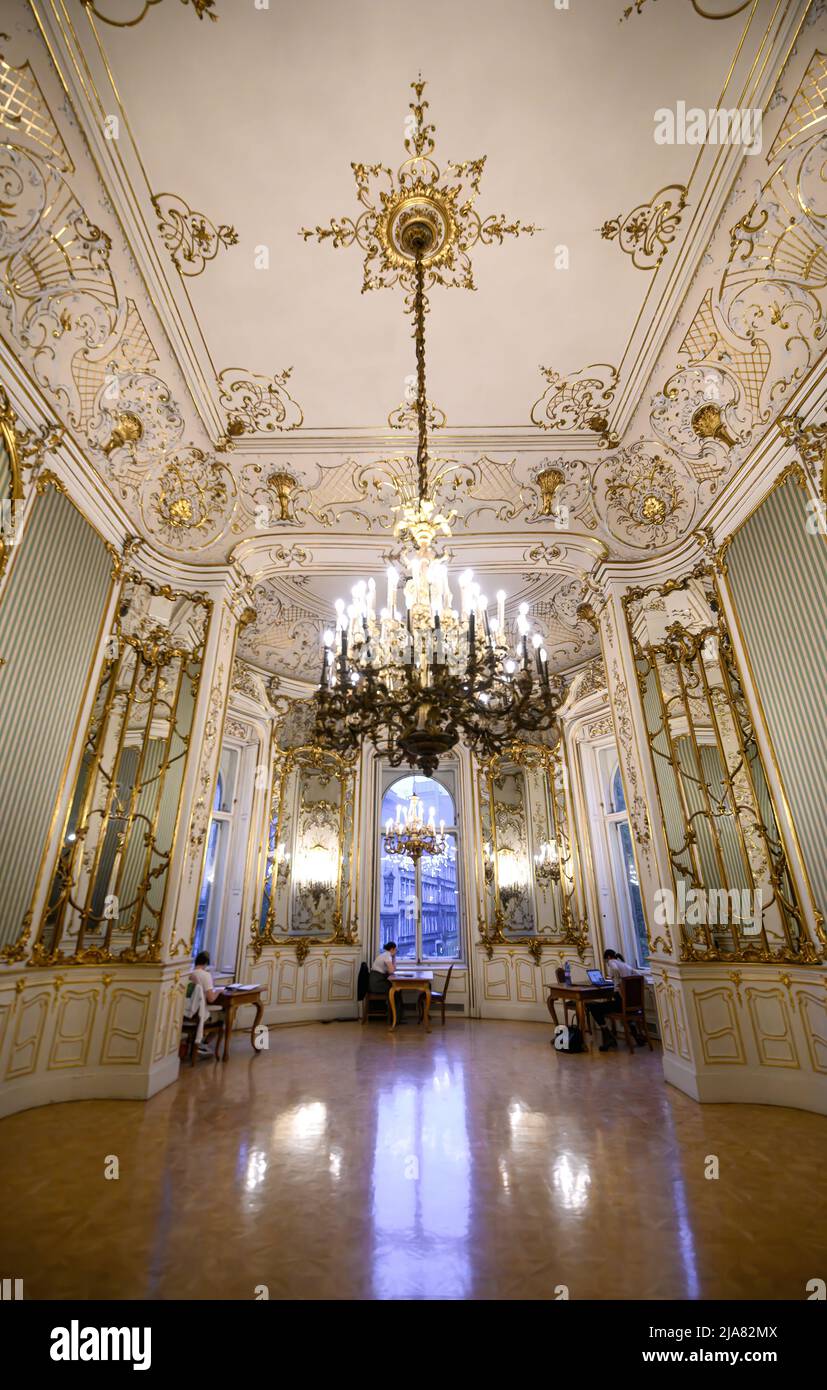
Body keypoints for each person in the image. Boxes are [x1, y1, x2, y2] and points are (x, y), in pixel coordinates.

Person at [589, 949, 646, 1052]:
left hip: (621, 1004)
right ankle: (635, 1034)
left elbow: (614, 970)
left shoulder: (612, 963)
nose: (607, 964)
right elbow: (642, 978)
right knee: (611, 1005)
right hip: (633, 1005)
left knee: (593, 1007)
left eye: (606, 961)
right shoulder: (625, 965)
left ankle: (608, 1037)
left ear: (609, 958)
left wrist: (617, 980)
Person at [187, 950, 226, 1055]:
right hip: (200, 1012)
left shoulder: (189, 973)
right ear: (206, 963)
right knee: (223, 1017)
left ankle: (196, 1043)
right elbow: (211, 999)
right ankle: (205, 1044)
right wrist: (218, 991)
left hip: (188, 1011)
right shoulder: (205, 975)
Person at [369, 941, 406, 1024]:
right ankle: (395, 1019)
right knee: (396, 991)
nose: (396, 951)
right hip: (377, 983)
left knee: (397, 990)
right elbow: (392, 970)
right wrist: (394, 957)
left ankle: (397, 1017)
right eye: (395, 950)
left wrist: (394, 957)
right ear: (392, 949)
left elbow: (392, 969)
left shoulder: (386, 955)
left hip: (378, 981)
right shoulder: (387, 955)